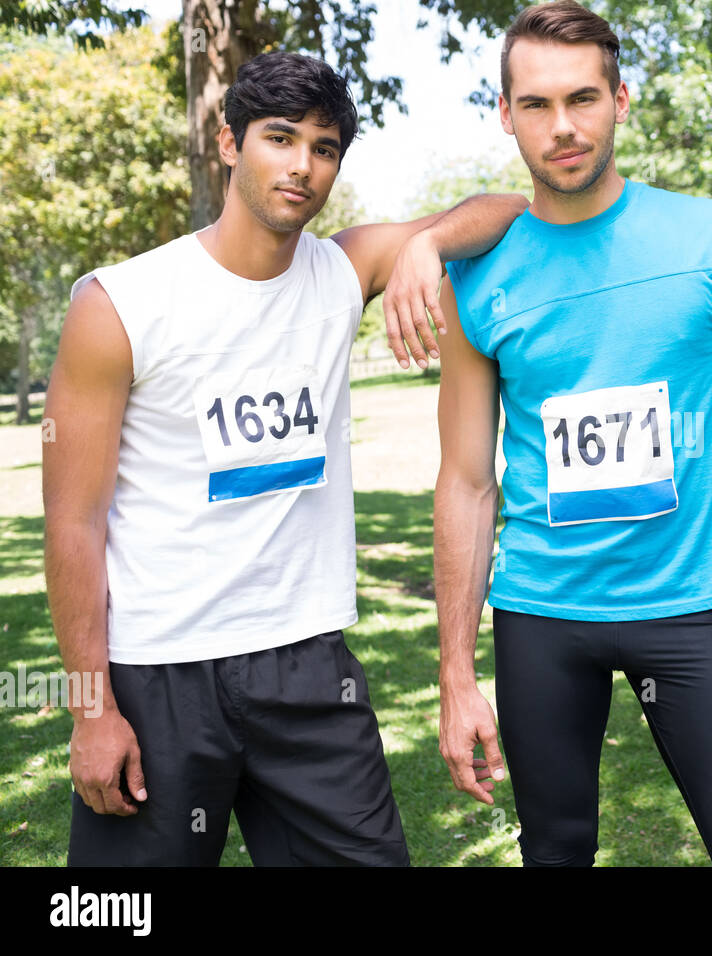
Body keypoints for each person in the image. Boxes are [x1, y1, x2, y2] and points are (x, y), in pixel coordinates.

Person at [45, 51, 526, 866]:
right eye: (280, 138)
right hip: (158, 672)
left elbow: (508, 205)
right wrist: (92, 709)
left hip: (308, 667)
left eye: (326, 147)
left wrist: (426, 244)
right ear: (229, 145)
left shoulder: (343, 270)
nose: (303, 165)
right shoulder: (119, 304)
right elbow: (73, 523)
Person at [411, 0, 712, 866]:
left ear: (621, 100)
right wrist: (454, 674)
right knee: (555, 853)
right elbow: (466, 481)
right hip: (540, 617)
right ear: (507, 116)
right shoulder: (476, 282)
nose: (563, 127)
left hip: (687, 607)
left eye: (584, 99)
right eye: (536, 105)